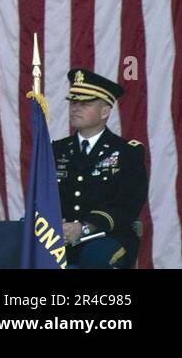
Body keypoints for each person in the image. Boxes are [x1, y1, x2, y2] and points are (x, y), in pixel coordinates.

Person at [54, 68, 147, 269]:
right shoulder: (55, 150)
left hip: (107, 238)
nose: (75, 108)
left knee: (95, 257)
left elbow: (127, 205)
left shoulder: (127, 152)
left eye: (85, 103)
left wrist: (85, 228)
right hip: (59, 238)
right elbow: (40, 197)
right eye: (73, 102)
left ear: (105, 112)